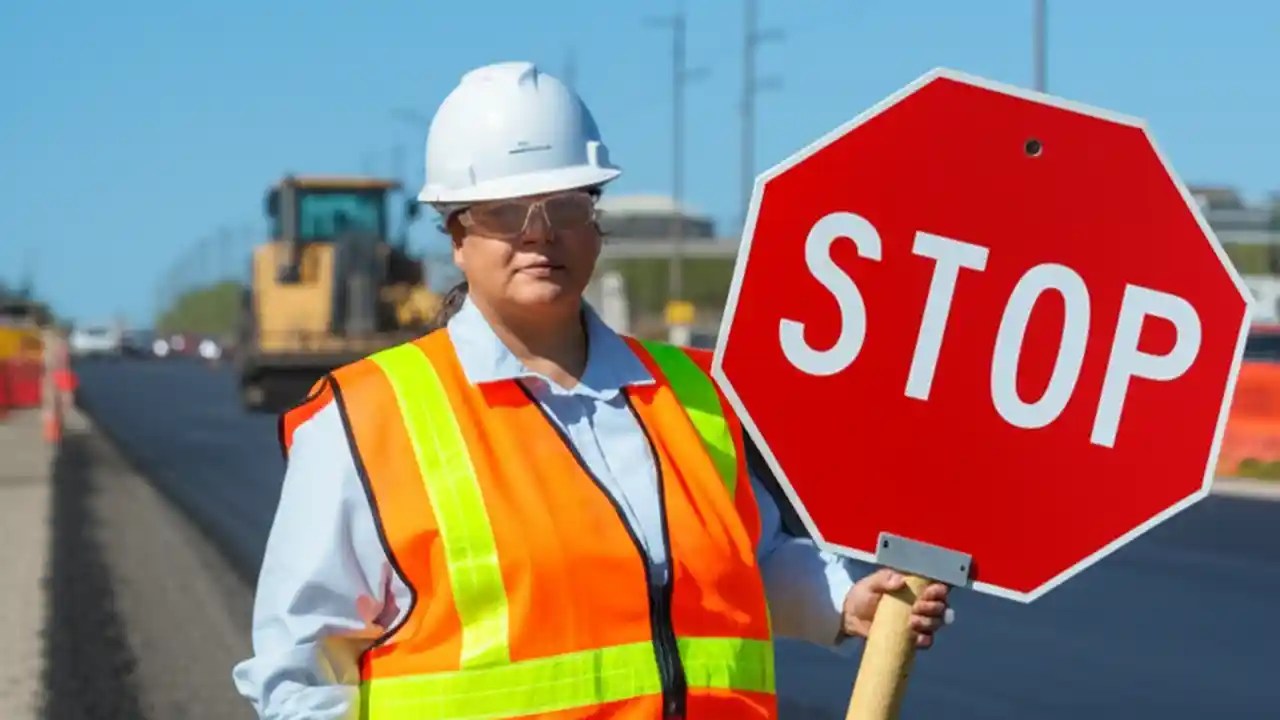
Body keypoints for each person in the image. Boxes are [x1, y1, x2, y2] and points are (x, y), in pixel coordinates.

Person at [231, 60, 951, 719]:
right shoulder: (367, 419)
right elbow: (300, 675)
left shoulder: (692, 393)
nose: (541, 236)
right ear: (456, 233)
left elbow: (746, 564)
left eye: (566, 206)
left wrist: (844, 601)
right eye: (507, 213)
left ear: (596, 222)